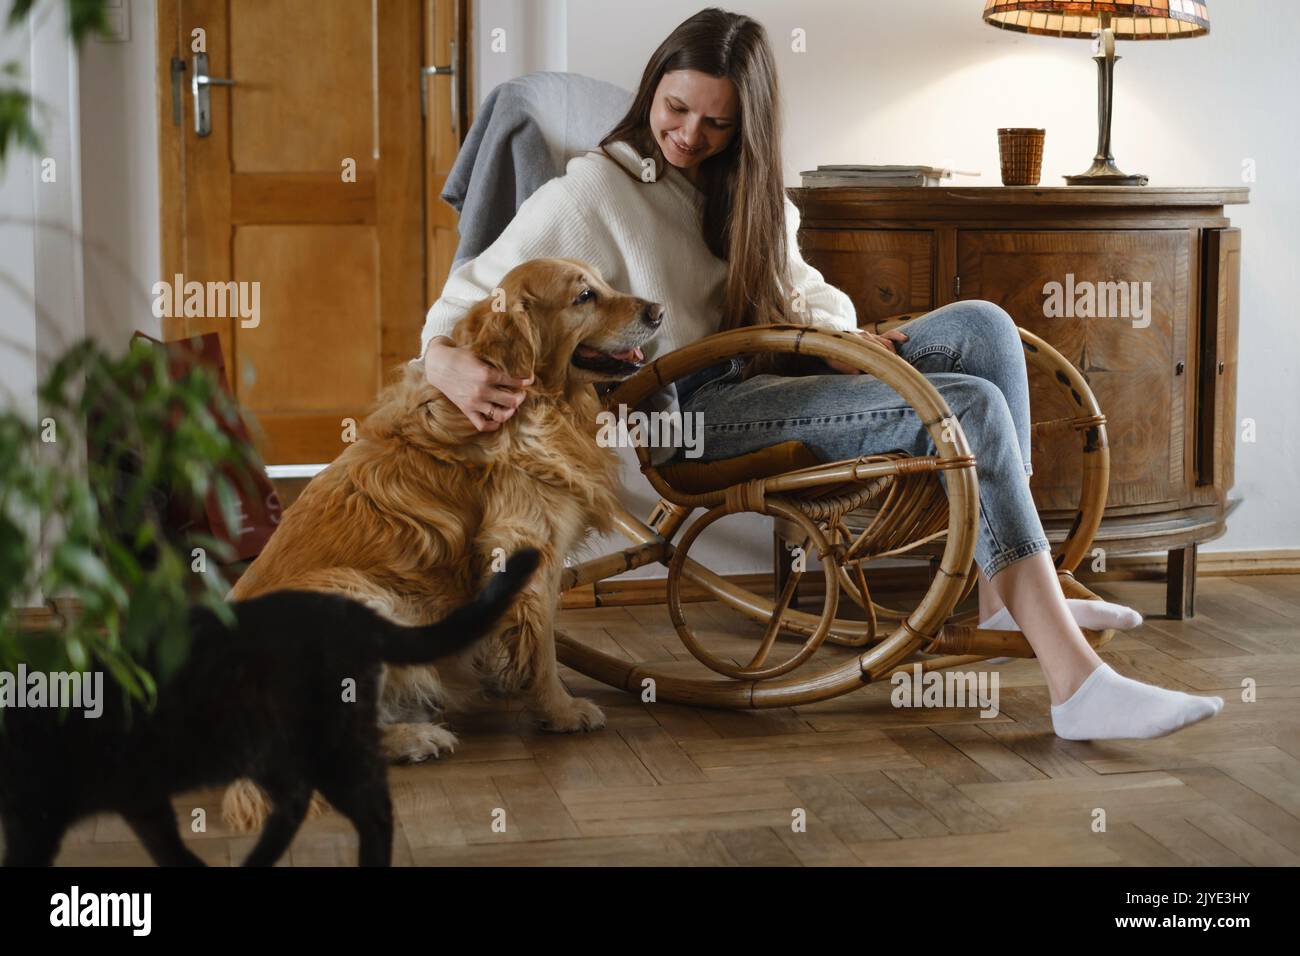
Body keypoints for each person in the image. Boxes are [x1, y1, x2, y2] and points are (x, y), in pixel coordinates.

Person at [418, 7, 1223, 741]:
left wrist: (866, 342)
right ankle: (1077, 684)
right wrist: (446, 361)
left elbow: (803, 292)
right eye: (676, 109)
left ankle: (999, 597)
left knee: (983, 324)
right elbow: (463, 296)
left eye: (716, 122)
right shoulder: (591, 190)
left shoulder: (747, 192)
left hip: (773, 376)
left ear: (746, 125)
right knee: (969, 406)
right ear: (651, 92)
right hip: (696, 415)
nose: (690, 135)